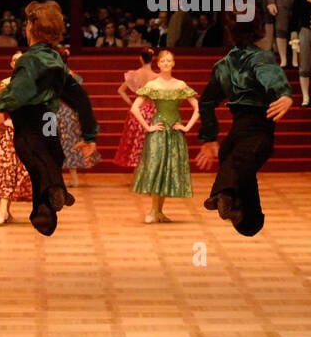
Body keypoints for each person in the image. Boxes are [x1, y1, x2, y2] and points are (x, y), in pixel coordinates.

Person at [0, 1, 98, 236]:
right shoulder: (57, 60)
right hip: (50, 120)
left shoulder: (29, 60)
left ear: (30, 26)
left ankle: (56, 186)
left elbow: (19, 91)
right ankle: (45, 210)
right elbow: (80, 98)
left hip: (31, 120)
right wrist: (89, 135)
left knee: (34, 158)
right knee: (50, 158)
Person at [194, 17, 295, 236]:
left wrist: (210, 137)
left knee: (238, 169)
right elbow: (268, 74)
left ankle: (230, 201)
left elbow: (207, 102)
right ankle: (227, 197)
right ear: (258, 31)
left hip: (235, 136)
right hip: (258, 131)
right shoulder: (260, 57)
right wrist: (284, 93)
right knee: (241, 167)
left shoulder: (223, 65)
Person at [130, 50, 199, 224]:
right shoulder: (153, 85)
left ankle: (159, 212)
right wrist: (148, 127)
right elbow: (134, 108)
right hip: (158, 131)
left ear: (173, 63)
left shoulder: (180, 84)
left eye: (169, 60)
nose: (166, 63)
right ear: (158, 64)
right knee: (157, 167)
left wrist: (186, 127)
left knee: (167, 169)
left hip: (175, 133)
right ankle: (153, 210)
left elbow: (198, 108)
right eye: (163, 61)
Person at [0, 52, 33, 226]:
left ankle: (6, 211)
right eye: (15, 61)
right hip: (12, 132)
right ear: (11, 64)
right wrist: (0, 119)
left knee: (22, 171)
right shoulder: (4, 84)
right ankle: (3, 211)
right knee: (7, 169)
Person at [112, 48, 158, 170]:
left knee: (136, 142)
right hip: (152, 111)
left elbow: (121, 90)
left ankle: (138, 173)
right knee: (149, 143)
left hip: (137, 111)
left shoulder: (134, 75)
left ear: (140, 59)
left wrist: (131, 103)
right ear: (152, 59)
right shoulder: (156, 77)